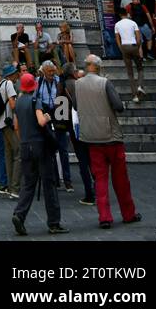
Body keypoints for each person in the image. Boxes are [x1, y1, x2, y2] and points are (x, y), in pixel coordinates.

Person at [75, 54, 141, 230]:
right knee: (120, 179)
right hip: (110, 136)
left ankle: (104, 216)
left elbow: (76, 105)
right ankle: (128, 213)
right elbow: (118, 106)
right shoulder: (105, 83)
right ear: (97, 66)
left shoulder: (78, 84)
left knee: (100, 179)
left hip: (90, 137)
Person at [11, 73, 68, 236]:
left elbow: (16, 126)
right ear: (33, 86)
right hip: (40, 147)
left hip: (25, 146)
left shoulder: (18, 103)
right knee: (49, 184)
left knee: (28, 184)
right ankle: (54, 223)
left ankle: (19, 215)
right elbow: (41, 121)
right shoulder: (35, 101)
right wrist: (48, 116)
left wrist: (23, 141)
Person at [58, 62, 95, 207]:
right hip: (84, 124)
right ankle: (97, 188)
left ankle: (89, 193)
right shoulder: (80, 84)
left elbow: (59, 110)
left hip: (71, 127)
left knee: (83, 161)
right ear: (73, 72)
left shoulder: (61, 86)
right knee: (91, 158)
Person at [35, 61, 73, 193]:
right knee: (50, 149)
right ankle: (55, 179)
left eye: (53, 71)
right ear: (43, 71)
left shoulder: (59, 81)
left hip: (59, 112)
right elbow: (35, 98)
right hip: (46, 113)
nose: (51, 73)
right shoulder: (38, 81)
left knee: (63, 148)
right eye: (49, 71)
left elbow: (66, 97)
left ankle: (67, 181)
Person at [114, 7, 146, 101]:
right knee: (140, 68)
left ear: (120, 15)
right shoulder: (133, 23)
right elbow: (138, 37)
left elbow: (117, 39)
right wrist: (137, 46)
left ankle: (135, 95)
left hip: (124, 47)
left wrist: (121, 48)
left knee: (130, 72)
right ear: (127, 13)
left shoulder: (117, 24)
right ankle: (140, 85)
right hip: (133, 46)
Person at [0, 64, 20, 198]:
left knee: (8, 155)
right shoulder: (9, 84)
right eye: (16, 73)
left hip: (1, 123)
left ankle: (10, 187)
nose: (17, 75)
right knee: (18, 153)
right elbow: (13, 105)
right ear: (11, 75)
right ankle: (15, 188)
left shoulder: (0, 84)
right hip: (9, 122)